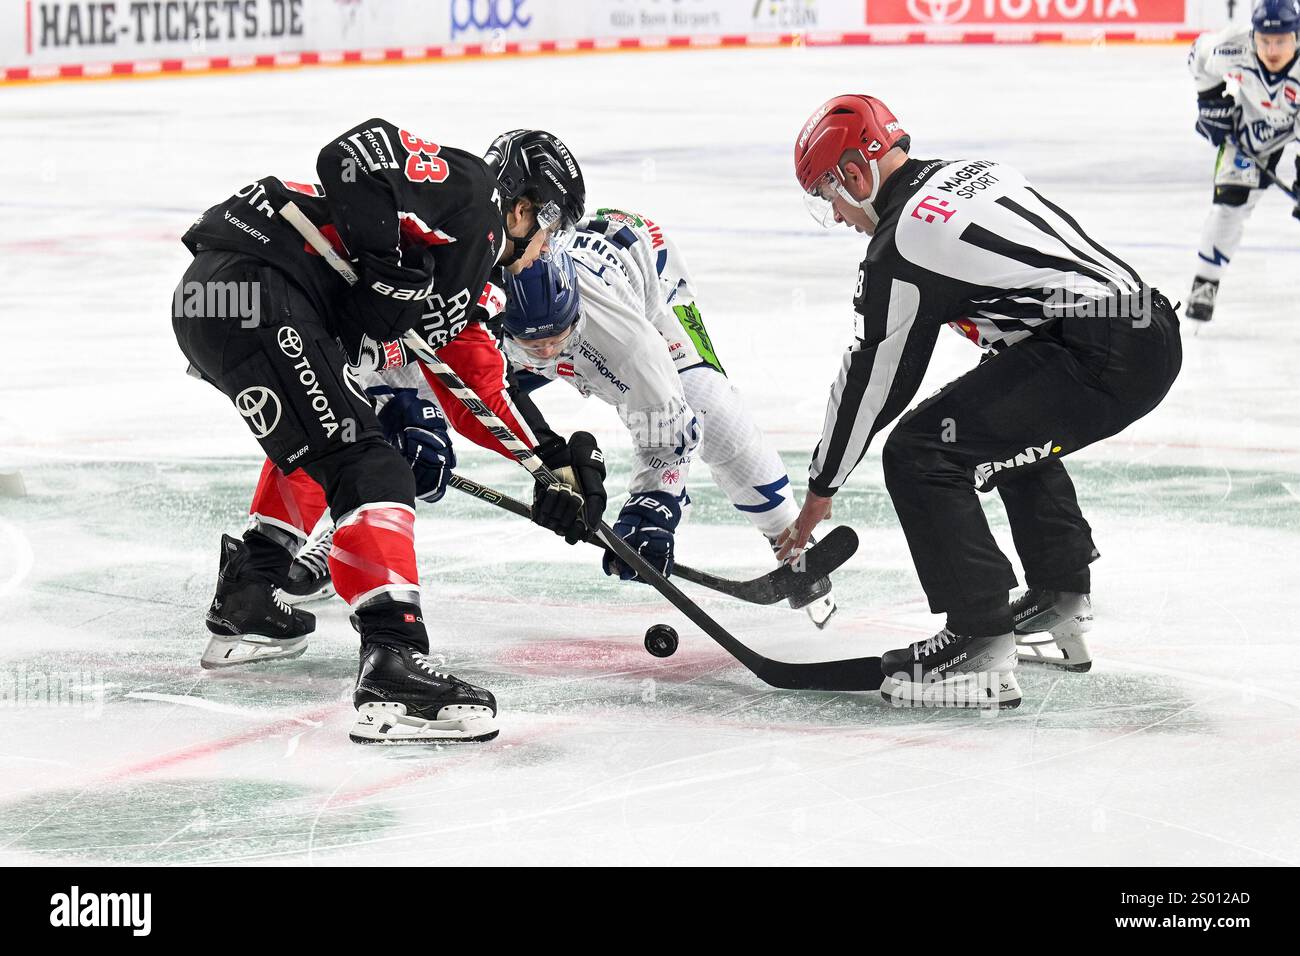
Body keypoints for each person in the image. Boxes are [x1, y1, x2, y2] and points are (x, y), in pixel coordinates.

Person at [173, 120, 598, 743]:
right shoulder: (473, 193)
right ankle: (393, 660)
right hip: (254, 284)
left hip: (225, 304)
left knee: (334, 440)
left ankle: (252, 592)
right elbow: (351, 153)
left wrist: (551, 464)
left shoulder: (466, 276)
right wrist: (383, 267)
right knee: (369, 465)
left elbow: (476, 384)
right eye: (551, 230)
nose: (544, 249)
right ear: (526, 208)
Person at [776, 95, 1182, 709]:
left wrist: (820, 490)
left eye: (827, 196)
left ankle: (977, 641)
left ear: (854, 175)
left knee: (920, 451)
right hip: (1145, 326)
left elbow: (873, 379)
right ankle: (1059, 595)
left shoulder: (900, 242)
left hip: (1099, 353)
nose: (834, 215)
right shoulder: (971, 172)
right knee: (993, 420)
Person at [501, 211, 837, 625]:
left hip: (648, 278)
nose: (549, 351)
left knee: (711, 410)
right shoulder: (485, 314)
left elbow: (669, 429)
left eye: (557, 337)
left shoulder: (627, 340)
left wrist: (653, 506)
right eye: (535, 342)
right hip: (552, 300)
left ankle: (790, 539)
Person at [1185, 0, 1300, 322]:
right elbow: (1198, 56)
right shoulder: (1230, 47)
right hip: (1252, 130)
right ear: (1253, 36)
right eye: (1265, 40)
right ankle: (1205, 283)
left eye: (1281, 41)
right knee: (1228, 206)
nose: (1272, 49)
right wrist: (1209, 102)